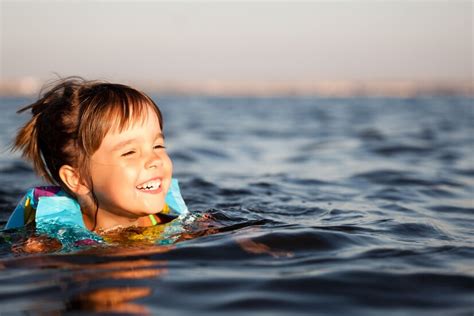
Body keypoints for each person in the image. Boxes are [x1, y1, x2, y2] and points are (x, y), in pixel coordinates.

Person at [4, 77, 189, 252]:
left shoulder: (175, 225)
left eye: (158, 145)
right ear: (77, 179)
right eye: (130, 152)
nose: (155, 159)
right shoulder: (51, 242)